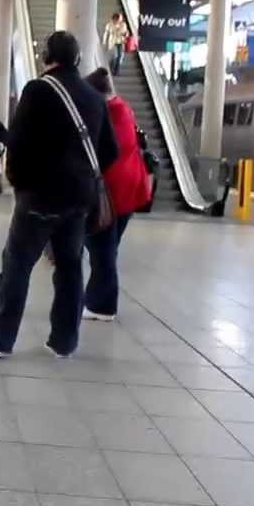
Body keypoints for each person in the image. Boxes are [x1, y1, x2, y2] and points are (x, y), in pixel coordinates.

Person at [0, 31, 119, 358]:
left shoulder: (38, 89)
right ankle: (64, 341)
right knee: (70, 267)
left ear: (47, 56)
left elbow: (18, 143)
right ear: (77, 58)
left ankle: (1, 339)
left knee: (17, 266)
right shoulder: (93, 97)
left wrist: (20, 181)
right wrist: (83, 175)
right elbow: (111, 151)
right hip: (78, 200)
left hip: (40, 198)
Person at [82, 67, 150, 322]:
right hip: (126, 190)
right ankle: (96, 297)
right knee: (106, 249)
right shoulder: (122, 108)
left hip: (114, 194)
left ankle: (102, 305)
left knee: (102, 249)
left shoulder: (113, 114)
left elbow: (107, 155)